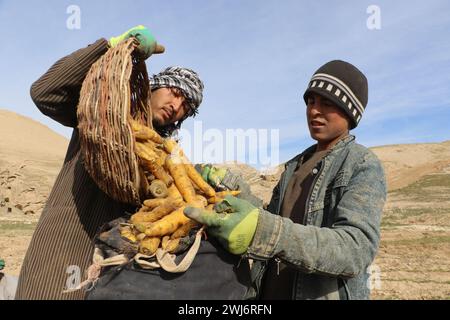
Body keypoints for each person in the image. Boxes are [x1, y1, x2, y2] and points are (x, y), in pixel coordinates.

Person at [15, 25, 205, 300]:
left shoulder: (167, 156)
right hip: (62, 247)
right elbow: (45, 92)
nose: (177, 105)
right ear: (156, 85)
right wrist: (112, 45)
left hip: (115, 274)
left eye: (187, 105)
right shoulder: (102, 114)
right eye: (175, 92)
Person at [185, 60, 387, 300]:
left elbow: (355, 250)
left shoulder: (362, 164)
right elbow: (273, 218)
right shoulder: (296, 164)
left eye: (327, 103)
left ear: (350, 111)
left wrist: (266, 232)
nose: (314, 110)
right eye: (311, 101)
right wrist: (232, 185)